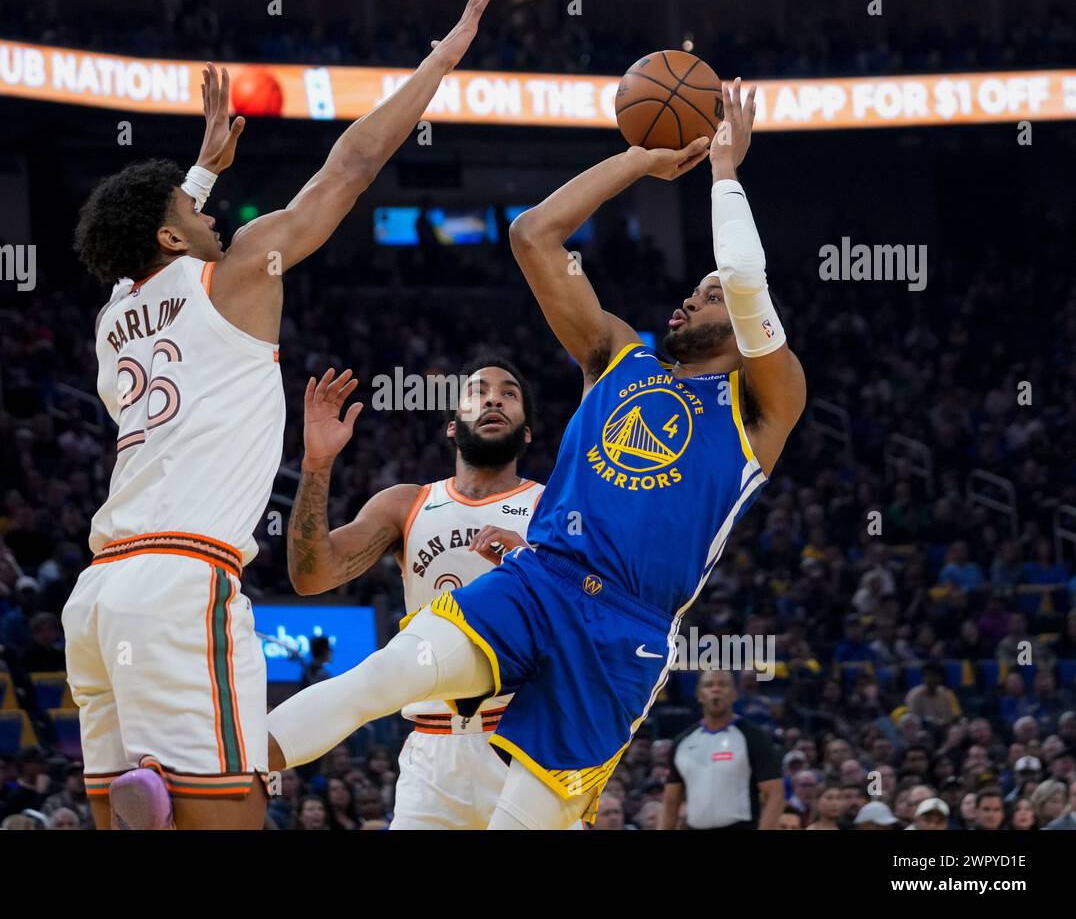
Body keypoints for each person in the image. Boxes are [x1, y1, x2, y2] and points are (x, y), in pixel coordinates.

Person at [266, 80, 807, 828]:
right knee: (380, 677)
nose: (687, 299)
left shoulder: (766, 405)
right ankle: (211, 774)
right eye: (692, 290)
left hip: (627, 630)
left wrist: (723, 171)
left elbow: (746, 280)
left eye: (706, 296)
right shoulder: (618, 356)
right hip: (542, 577)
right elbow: (534, 236)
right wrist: (640, 158)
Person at [62, 0, 493, 831]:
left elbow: (139, 265)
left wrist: (199, 172)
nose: (212, 213)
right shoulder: (239, 273)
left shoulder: (112, 321)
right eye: (194, 209)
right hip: (184, 582)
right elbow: (352, 166)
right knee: (230, 814)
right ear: (170, 235)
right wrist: (442, 57)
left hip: (100, 595)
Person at [286, 361, 543, 830]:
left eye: (508, 394)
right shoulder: (406, 504)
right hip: (432, 752)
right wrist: (317, 464)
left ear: (526, 431)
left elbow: (590, 614)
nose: (492, 400)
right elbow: (311, 576)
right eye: (477, 393)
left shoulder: (553, 508)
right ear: (451, 426)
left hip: (526, 744)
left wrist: (533, 564)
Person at [662, 671, 784, 830]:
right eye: (709, 685)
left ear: (734, 694)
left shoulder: (754, 737)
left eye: (723, 684)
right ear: (699, 695)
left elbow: (775, 795)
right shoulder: (682, 743)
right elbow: (671, 803)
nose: (716, 689)